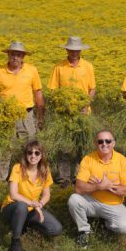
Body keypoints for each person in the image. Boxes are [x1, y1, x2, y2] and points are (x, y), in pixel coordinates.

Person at [0, 41, 45, 181]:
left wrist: (40, 116)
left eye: (18, 54)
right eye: (12, 54)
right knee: (5, 147)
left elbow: (38, 93)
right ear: (8, 54)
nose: (15, 57)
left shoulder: (32, 70)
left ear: (23, 57)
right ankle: (0, 179)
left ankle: (29, 177)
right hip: (5, 115)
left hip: (26, 114)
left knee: (30, 147)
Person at [67, 130, 126, 248]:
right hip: (91, 201)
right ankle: (84, 231)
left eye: (108, 141)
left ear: (113, 143)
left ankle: (106, 224)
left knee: (124, 228)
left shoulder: (123, 161)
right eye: (100, 141)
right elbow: (78, 188)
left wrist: (107, 187)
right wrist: (98, 186)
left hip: (114, 204)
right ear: (95, 143)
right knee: (74, 199)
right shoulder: (88, 159)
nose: (104, 144)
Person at [1, 140, 63, 251]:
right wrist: (31, 203)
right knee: (21, 206)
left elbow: (46, 194)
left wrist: (40, 204)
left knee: (56, 229)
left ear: (41, 155)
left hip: (32, 208)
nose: (33, 156)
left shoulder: (45, 170)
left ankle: (24, 224)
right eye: (30, 152)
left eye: (37, 153)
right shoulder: (17, 168)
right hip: (12, 208)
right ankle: (15, 243)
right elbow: (13, 194)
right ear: (26, 154)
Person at [47, 36, 96, 185]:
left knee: (80, 144)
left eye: (77, 50)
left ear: (80, 50)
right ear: (67, 50)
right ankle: (63, 177)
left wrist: (85, 104)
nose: (74, 52)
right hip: (64, 113)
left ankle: (78, 176)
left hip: (83, 113)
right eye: (71, 49)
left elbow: (92, 89)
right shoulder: (59, 67)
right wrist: (63, 104)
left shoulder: (88, 66)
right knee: (64, 146)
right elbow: (52, 90)